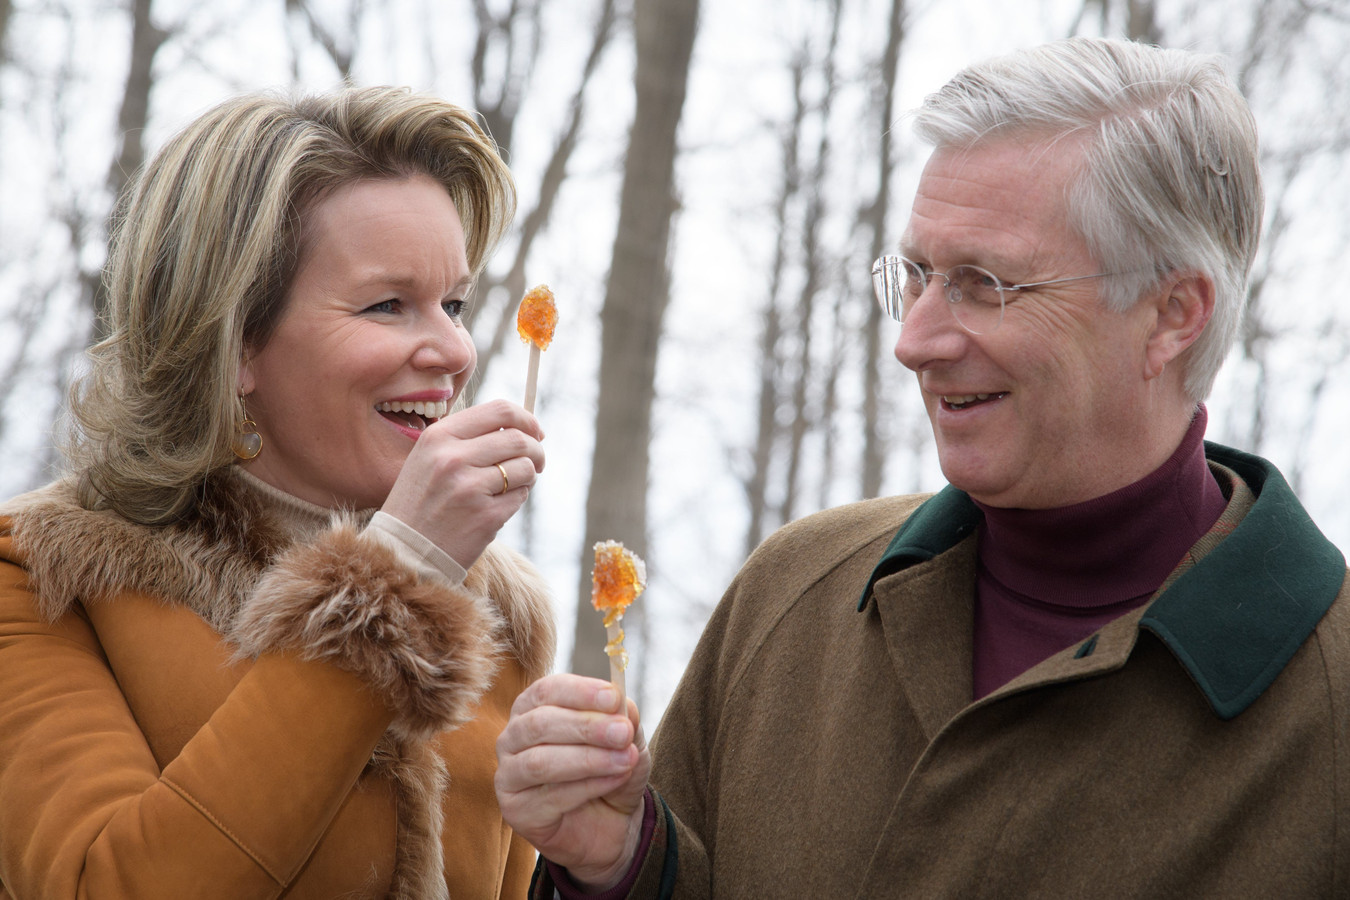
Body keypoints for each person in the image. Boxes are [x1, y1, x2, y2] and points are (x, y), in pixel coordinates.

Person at [494, 36, 1350, 898]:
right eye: (917, 275)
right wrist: (620, 868)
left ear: (1172, 314)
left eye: (984, 283)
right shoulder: (792, 598)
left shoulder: (1328, 710)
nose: (914, 342)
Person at [0, 85, 556, 898]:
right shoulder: (41, 578)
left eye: (454, 304)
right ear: (233, 344)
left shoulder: (495, 612)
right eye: (388, 305)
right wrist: (391, 579)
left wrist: (603, 864)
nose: (454, 349)